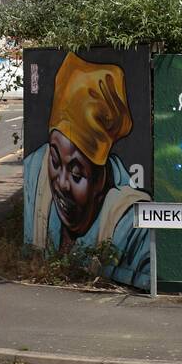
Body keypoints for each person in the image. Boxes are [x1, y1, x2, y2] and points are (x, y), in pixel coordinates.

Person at [24, 53, 151, 288]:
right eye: (54, 160)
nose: (61, 183)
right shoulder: (35, 171)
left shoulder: (131, 226)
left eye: (76, 174)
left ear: (100, 178)